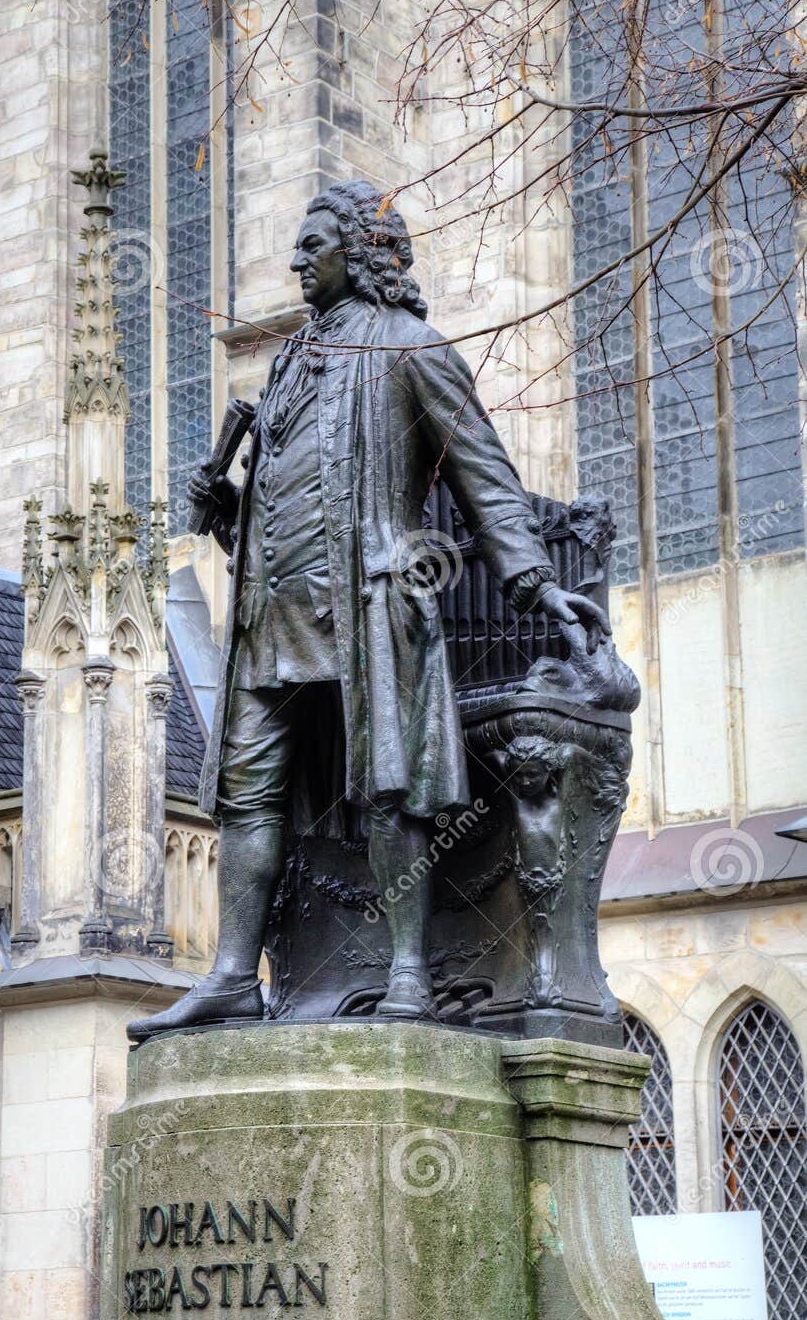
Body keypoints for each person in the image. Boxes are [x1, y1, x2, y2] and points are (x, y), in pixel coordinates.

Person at [127, 181, 607, 1041]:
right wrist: (224, 507)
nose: (298, 258)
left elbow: (485, 481)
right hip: (272, 619)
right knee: (247, 791)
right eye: (299, 245)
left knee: (391, 787)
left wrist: (538, 584)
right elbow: (275, 505)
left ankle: (409, 976)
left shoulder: (409, 347)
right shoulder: (286, 364)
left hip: (374, 607)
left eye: (315, 242)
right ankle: (236, 976)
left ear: (364, 251)